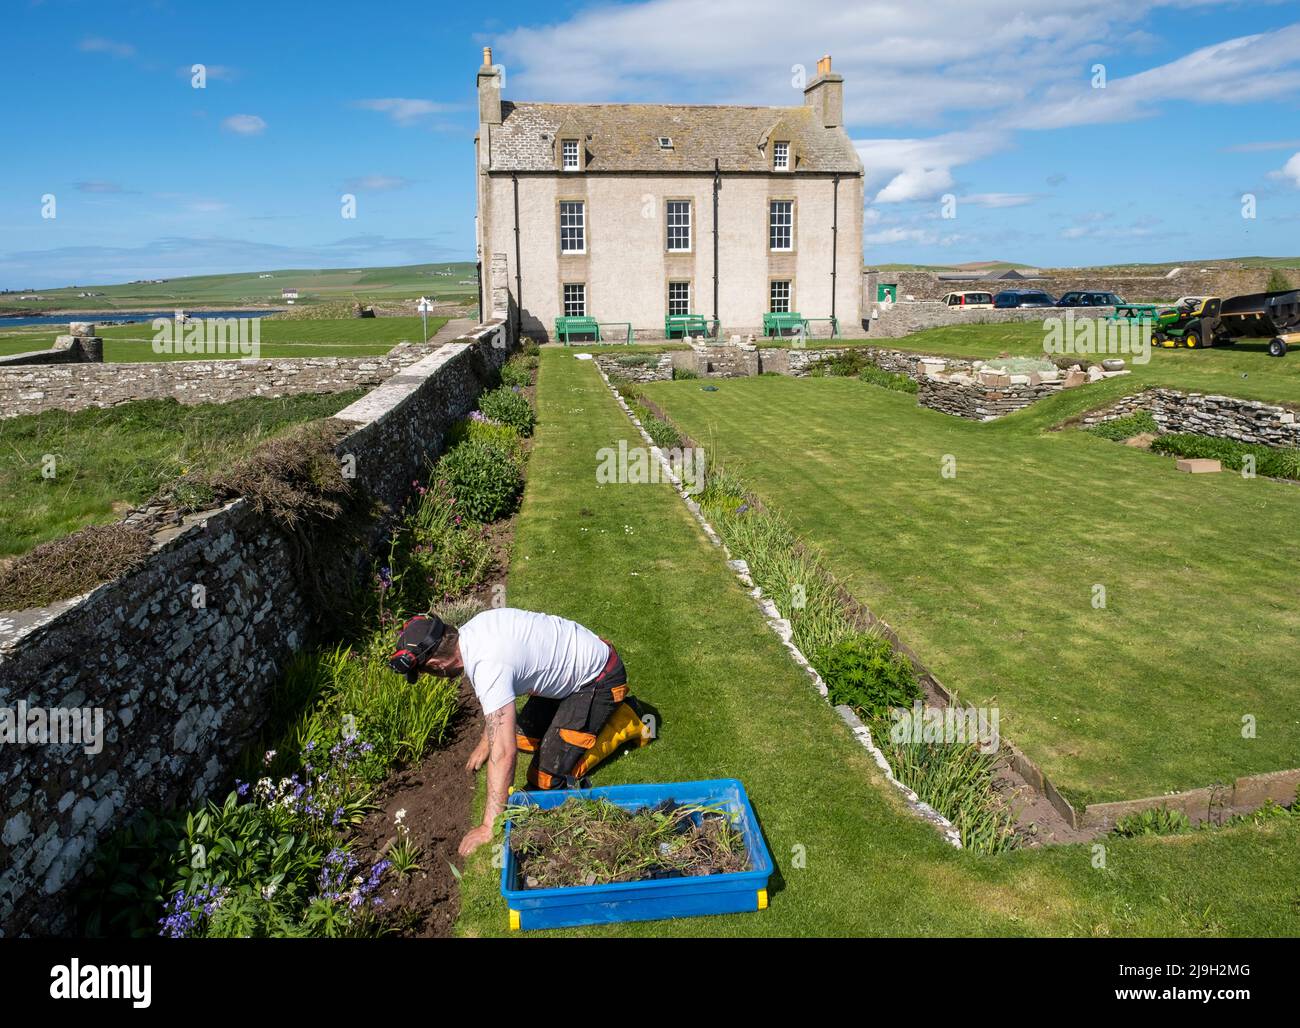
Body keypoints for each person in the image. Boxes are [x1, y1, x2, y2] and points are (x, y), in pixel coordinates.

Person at [388, 607, 632, 857]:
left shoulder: (488, 666)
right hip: (573, 666)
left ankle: (626, 717)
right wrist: (486, 743)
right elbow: (497, 707)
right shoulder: (474, 630)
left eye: (428, 672)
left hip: (598, 679)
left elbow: (504, 753)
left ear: (437, 664)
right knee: (522, 738)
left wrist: (488, 826)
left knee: (545, 779)